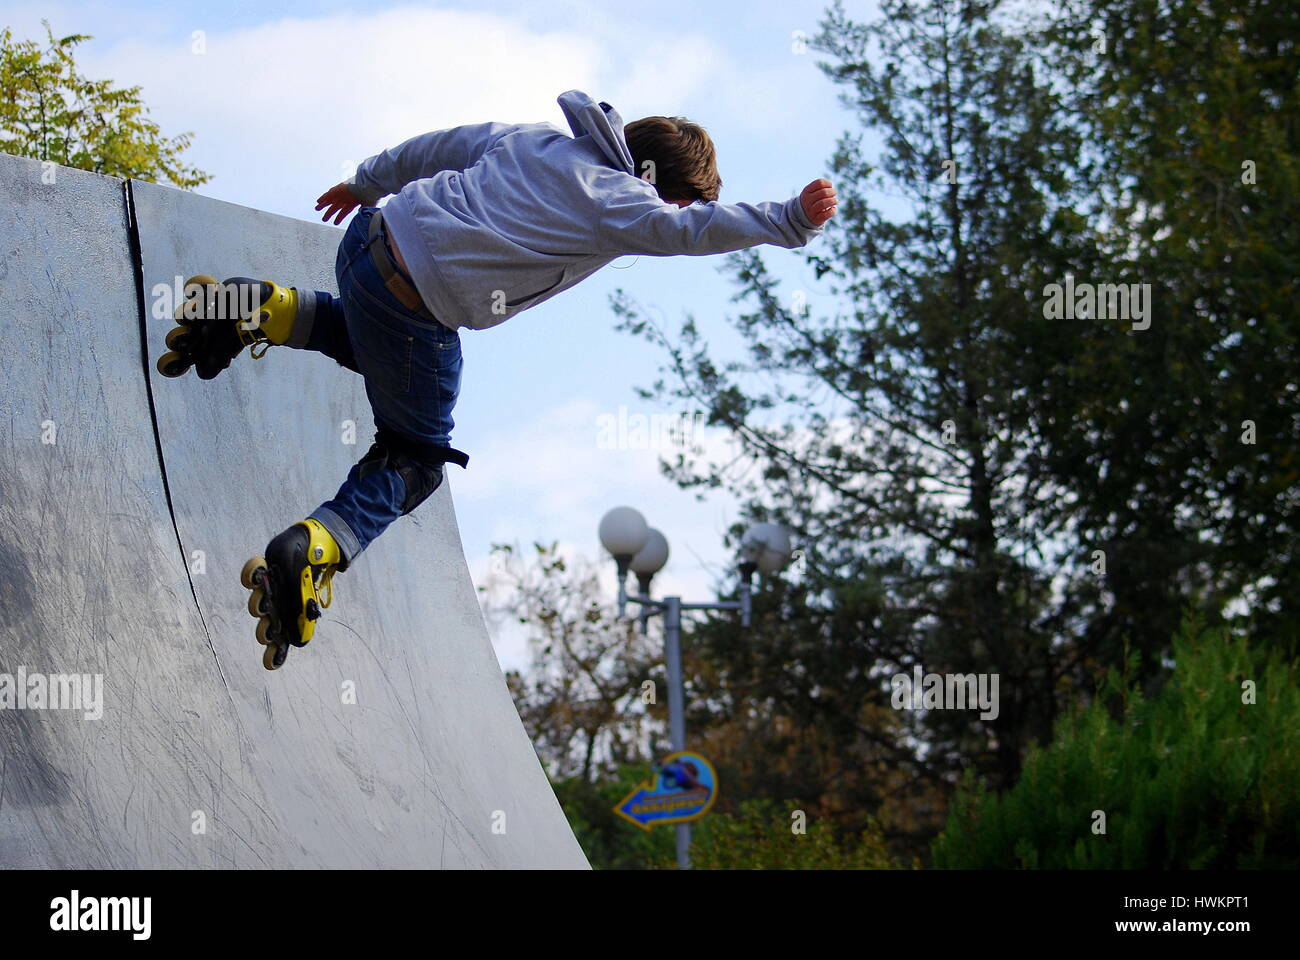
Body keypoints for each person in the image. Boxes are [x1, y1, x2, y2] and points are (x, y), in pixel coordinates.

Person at [159, 89, 836, 670]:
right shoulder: (625, 201)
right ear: (667, 186)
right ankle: (316, 546)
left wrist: (365, 181)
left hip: (367, 240)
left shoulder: (536, 140)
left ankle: (263, 309)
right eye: (680, 205)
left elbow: (440, 145)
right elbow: (692, 231)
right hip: (422, 301)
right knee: (416, 458)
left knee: (382, 351)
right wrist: (790, 219)